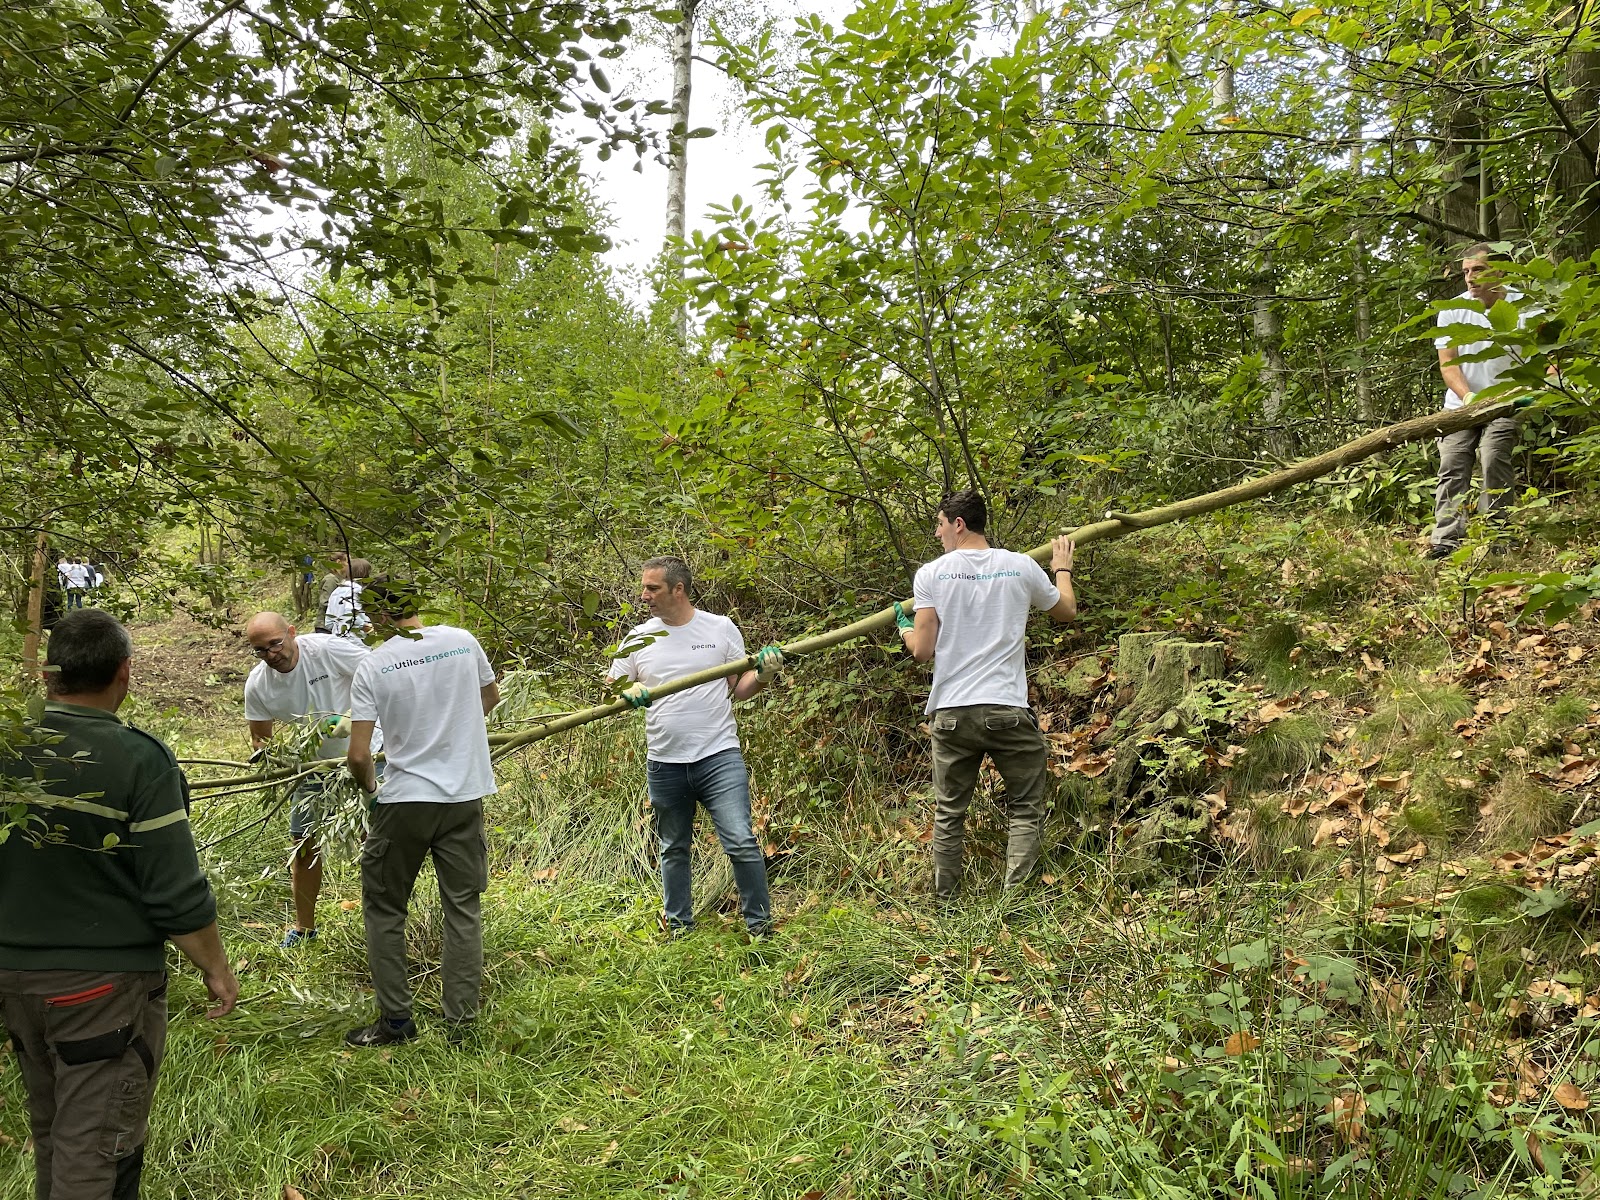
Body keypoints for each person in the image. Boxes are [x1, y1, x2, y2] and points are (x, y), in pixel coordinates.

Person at [0, 610, 238, 1200]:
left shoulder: (8, 745)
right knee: (96, 1150)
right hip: (100, 989)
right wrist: (215, 967)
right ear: (125, 672)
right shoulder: (138, 759)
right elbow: (174, 890)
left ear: (49, 673)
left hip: (13, 978)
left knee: (53, 1128)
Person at [897, 490, 1077, 899]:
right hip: (1006, 708)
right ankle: (1014, 904)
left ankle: (946, 905)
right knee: (1025, 808)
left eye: (940, 524)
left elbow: (922, 652)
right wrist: (1062, 570)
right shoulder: (1021, 565)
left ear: (958, 524)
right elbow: (1066, 610)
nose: (938, 533)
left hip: (952, 713)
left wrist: (905, 629)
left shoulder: (930, 574)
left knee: (949, 814)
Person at [344, 581, 499, 1046]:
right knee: (463, 907)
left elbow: (358, 755)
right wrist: (454, 734)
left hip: (405, 801)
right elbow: (489, 698)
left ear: (377, 616)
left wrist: (372, 791)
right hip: (464, 798)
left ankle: (396, 1021)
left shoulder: (374, 664)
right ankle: (461, 1023)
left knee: (385, 907)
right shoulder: (461, 641)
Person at [607, 556, 785, 939]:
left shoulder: (720, 628)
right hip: (664, 761)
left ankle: (760, 928)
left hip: (718, 756)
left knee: (740, 840)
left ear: (678, 589)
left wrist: (764, 675)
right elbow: (612, 687)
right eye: (644, 588)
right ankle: (680, 929)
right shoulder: (638, 637)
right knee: (673, 847)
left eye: (652, 588)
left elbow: (739, 689)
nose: (644, 596)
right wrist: (627, 689)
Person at [243, 611, 375, 948]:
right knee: (303, 844)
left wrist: (353, 717)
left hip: (367, 753)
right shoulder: (259, 684)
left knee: (373, 837)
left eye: (275, 644)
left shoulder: (326, 649)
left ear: (291, 632)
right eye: (261, 650)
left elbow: (378, 673)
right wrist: (271, 757)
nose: (271, 654)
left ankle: (381, 917)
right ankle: (304, 928)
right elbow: (261, 739)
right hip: (314, 767)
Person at [1426, 243, 1538, 559]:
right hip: (1462, 404)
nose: (1470, 277)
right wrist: (1469, 398)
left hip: (1507, 402)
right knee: (1452, 464)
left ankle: (1499, 537)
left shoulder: (1527, 306)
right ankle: (1446, 540)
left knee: (1493, 457)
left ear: (1499, 271)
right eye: (1466, 271)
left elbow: (1550, 358)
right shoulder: (1453, 309)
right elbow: (1448, 364)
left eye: (1478, 269)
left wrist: (1535, 393)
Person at [325, 557, 372, 641]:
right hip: (355, 640)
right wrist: (365, 626)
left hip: (337, 639)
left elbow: (328, 622)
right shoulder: (356, 590)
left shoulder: (336, 592)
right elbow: (351, 615)